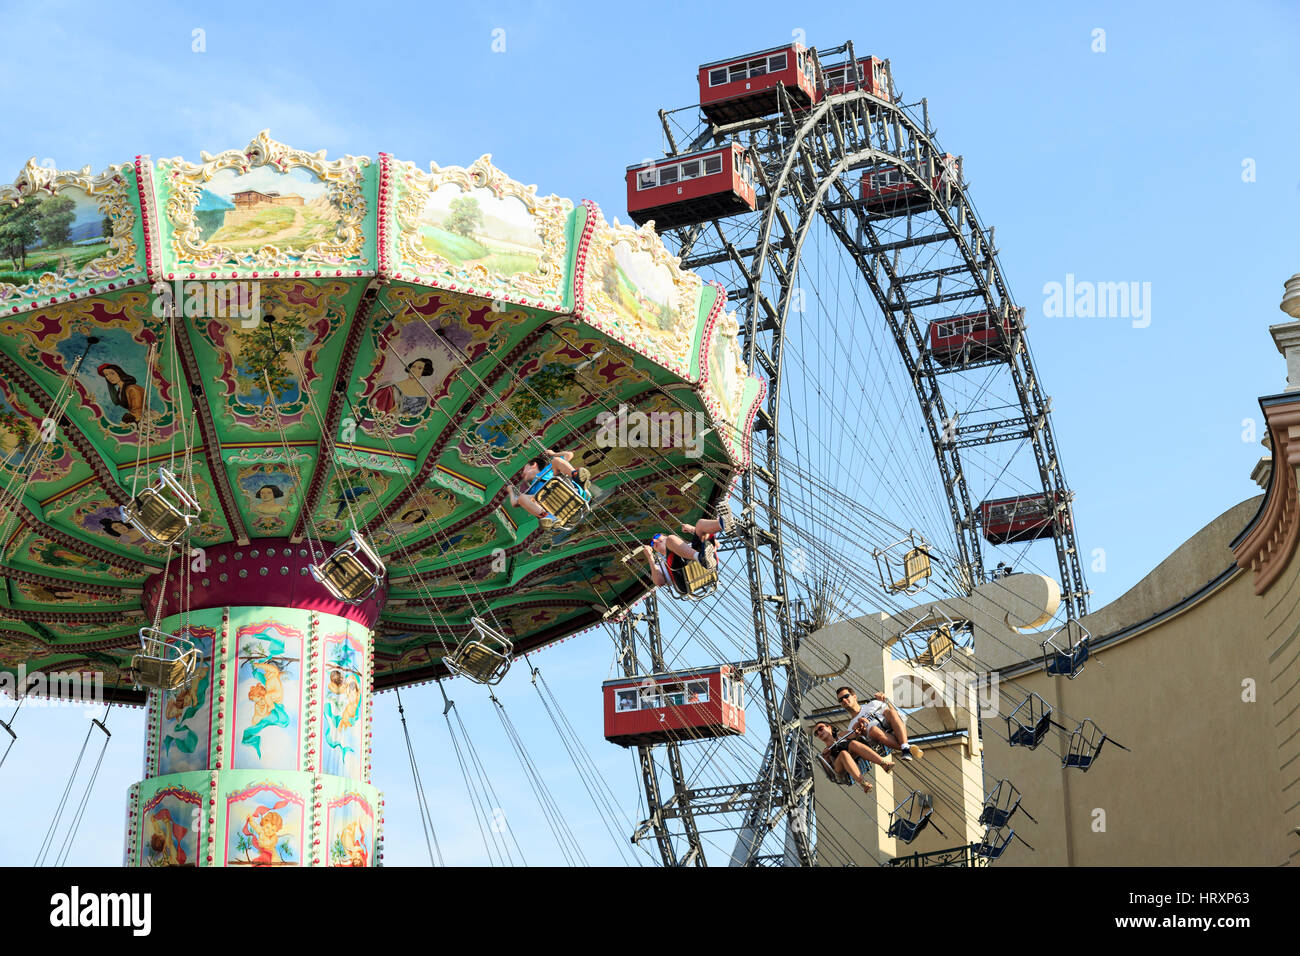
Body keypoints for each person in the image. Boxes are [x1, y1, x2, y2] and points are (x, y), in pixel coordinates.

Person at [635, 512, 729, 594]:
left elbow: (717, 544)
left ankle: (724, 523)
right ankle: (700, 558)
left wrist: (692, 529)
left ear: (665, 537)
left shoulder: (688, 546)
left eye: (657, 537)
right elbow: (659, 582)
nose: (655, 541)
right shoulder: (660, 565)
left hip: (707, 566)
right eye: (652, 544)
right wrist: (650, 557)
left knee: (700, 524)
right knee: (671, 541)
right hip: (684, 579)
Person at [507, 449, 592, 531]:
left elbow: (569, 454)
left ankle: (577, 477)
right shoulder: (531, 490)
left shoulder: (548, 470)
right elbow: (515, 503)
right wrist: (511, 491)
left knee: (556, 461)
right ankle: (547, 517)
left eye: (524, 470)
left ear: (533, 465)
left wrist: (553, 454)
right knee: (522, 498)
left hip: (567, 490)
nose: (522, 474)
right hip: (552, 504)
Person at [836, 686, 923, 761]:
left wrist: (886, 700)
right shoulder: (851, 727)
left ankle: (906, 748)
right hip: (877, 741)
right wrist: (860, 732)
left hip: (888, 725)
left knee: (890, 712)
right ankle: (906, 747)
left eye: (846, 696)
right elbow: (861, 743)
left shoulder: (872, 704)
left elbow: (895, 713)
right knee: (873, 730)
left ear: (854, 696)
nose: (844, 700)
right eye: (840, 699)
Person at [811, 720, 894, 795]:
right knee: (843, 754)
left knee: (853, 743)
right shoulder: (825, 752)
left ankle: (883, 763)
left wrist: (858, 732)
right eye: (816, 733)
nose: (819, 733)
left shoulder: (842, 735)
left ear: (829, 727)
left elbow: (855, 736)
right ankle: (863, 782)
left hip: (852, 756)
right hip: (840, 768)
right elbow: (830, 773)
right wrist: (826, 757)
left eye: (820, 728)